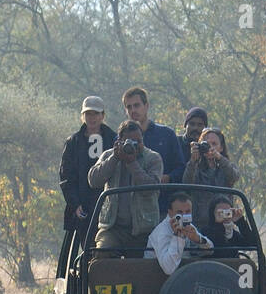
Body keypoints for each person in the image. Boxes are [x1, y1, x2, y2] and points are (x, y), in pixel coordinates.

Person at [57, 96, 116, 277]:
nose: (92, 118)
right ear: (83, 116)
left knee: (110, 247)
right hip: (84, 205)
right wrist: (75, 204)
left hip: (110, 205)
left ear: (102, 115)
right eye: (88, 113)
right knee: (88, 246)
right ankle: (88, 284)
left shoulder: (114, 138)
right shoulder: (73, 142)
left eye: (96, 114)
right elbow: (66, 177)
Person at [87, 120, 163, 256]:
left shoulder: (153, 158)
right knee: (101, 255)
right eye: (130, 142)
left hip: (143, 229)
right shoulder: (108, 155)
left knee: (143, 267)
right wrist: (115, 158)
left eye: (139, 141)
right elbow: (93, 180)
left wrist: (132, 163)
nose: (135, 146)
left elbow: (151, 188)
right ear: (119, 141)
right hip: (112, 228)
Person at [122, 87, 185, 189]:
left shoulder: (167, 134)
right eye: (129, 107)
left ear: (146, 106)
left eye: (136, 105)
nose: (133, 110)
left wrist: (168, 178)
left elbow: (181, 167)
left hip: (162, 196)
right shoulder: (120, 139)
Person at [146, 192, 213, 274]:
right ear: (170, 212)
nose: (184, 216)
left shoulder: (188, 225)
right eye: (179, 212)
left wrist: (198, 239)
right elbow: (169, 269)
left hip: (185, 275)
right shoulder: (162, 231)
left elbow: (210, 250)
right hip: (154, 278)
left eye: (188, 211)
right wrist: (178, 237)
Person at [184, 126, 240, 215]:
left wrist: (219, 158)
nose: (210, 147)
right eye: (206, 143)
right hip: (200, 219)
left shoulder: (227, 166)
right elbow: (187, 183)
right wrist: (193, 160)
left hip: (223, 217)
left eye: (214, 144)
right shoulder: (195, 167)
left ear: (221, 148)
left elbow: (234, 177)